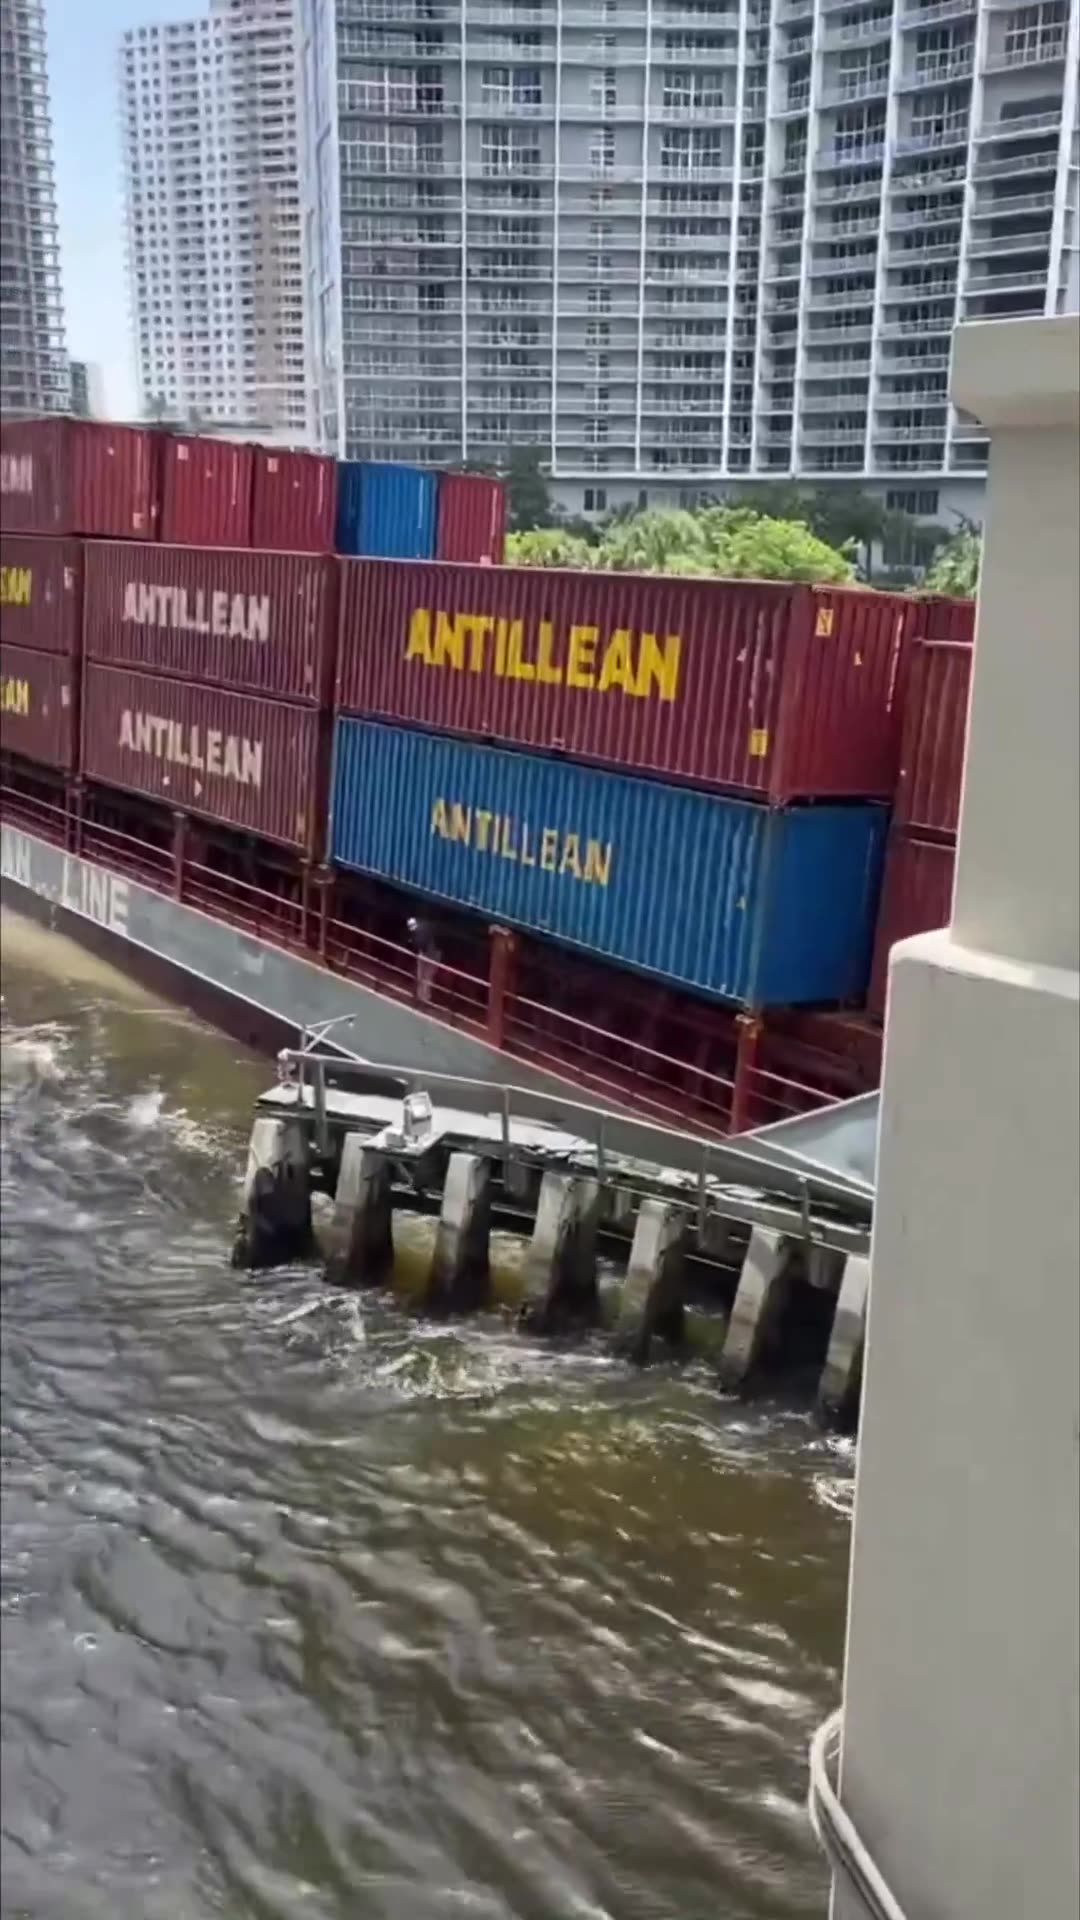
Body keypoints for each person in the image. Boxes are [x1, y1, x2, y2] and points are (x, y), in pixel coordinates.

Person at [406, 914, 440, 1008]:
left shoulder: (423, 929)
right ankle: (419, 998)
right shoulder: (416, 928)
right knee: (420, 976)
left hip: (433, 955)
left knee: (426, 978)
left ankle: (424, 1000)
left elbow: (420, 943)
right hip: (424, 953)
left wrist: (412, 943)